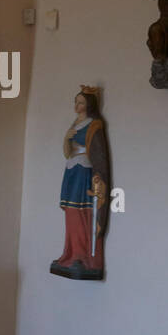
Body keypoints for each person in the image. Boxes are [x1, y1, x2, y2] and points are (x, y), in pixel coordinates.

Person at [51, 86, 110, 278]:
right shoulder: (75, 123)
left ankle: (82, 256)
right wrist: (65, 139)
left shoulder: (94, 125)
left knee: (80, 212)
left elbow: (98, 155)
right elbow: (67, 153)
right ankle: (69, 254)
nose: (77, 106)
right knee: (70, 212)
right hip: (71, 170)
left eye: (81, 102)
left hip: (84, 171)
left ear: (89, 104)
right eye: (75, 102)